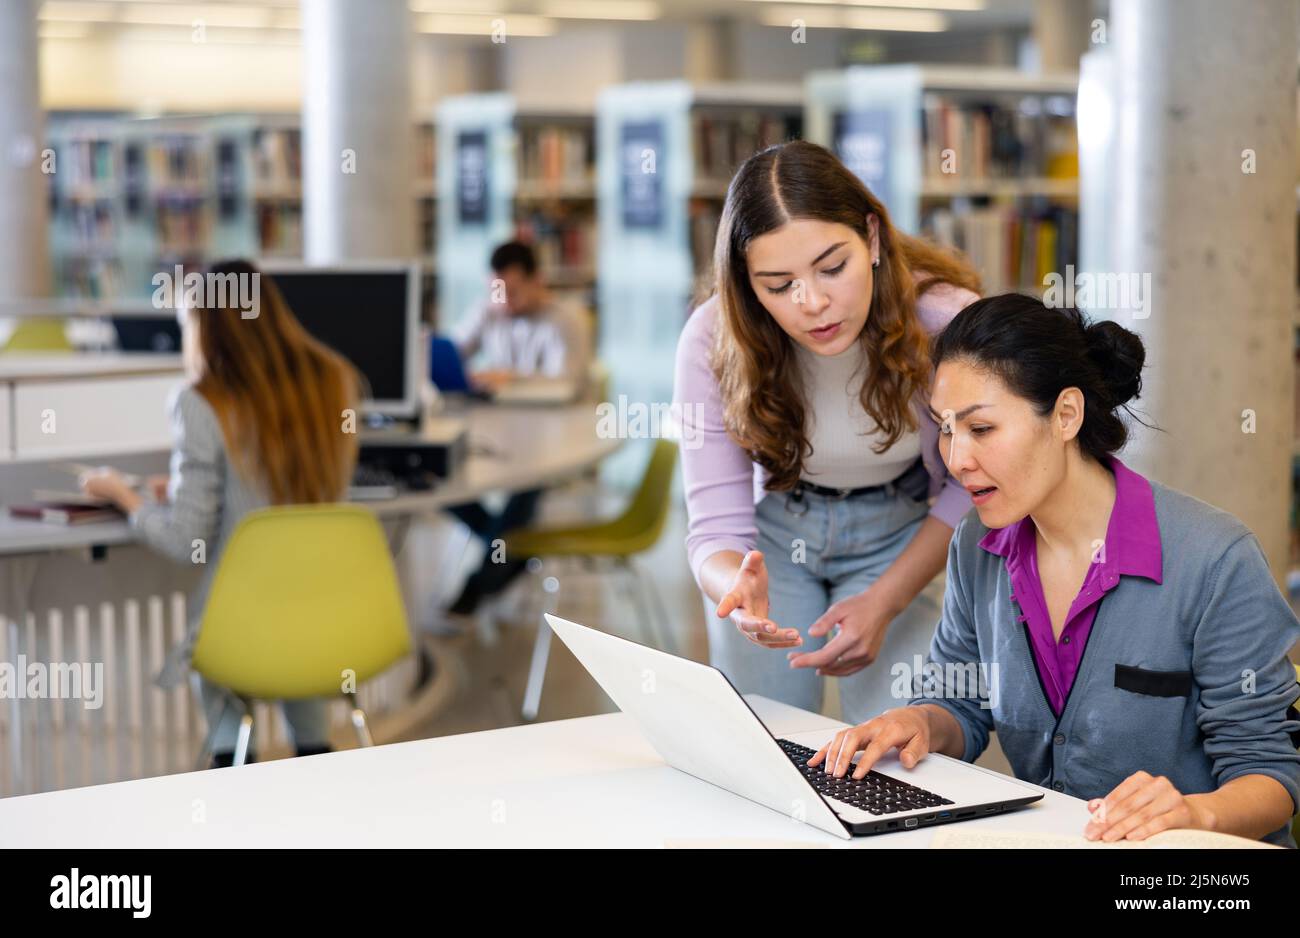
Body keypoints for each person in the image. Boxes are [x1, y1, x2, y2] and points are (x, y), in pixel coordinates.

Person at [810, 293, 1300, 847]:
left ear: (1066, 415)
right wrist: (921, 722)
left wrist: (1191, 814)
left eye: (982, 429)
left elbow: (1271, 774)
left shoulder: (1215, 559)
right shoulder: (977, 542)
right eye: (945, 428)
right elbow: (961, 705)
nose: (957, 458)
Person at [674, 139, 981, 723]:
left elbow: (977, 479)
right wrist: (733, 593)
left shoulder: (946, 324)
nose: (812, 302)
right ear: (745, 282)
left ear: (870, 237)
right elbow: (713, 528)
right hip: (772, 542)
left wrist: (887, 600)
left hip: (903, 532)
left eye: (831, 267)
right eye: (777, 284)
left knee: (907, 748)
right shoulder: (711, 339)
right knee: (764, 746)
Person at [81, 259, 361, 767]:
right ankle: (316, 755)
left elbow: (184, 540)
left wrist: (127, 497)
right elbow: (285, 486)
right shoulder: (333, 381)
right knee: (296, 634)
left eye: (188, 323)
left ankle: (235, 762)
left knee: (225, 647)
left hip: (242, 632)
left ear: (207, 327)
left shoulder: (199, 401)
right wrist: (196, 485)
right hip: (325, 620)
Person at [445, 240, 593, 615]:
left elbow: (566, 386)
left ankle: (477, 587)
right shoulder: (490, 311)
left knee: (526, 486)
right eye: (496, 291)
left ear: (537, 281)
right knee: (444, 479)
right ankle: (516, 552)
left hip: (552, 438)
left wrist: (509, 378)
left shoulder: (565, 320)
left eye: (512, 291)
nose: (504, 301)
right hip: (498, 431)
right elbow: (452, 354)